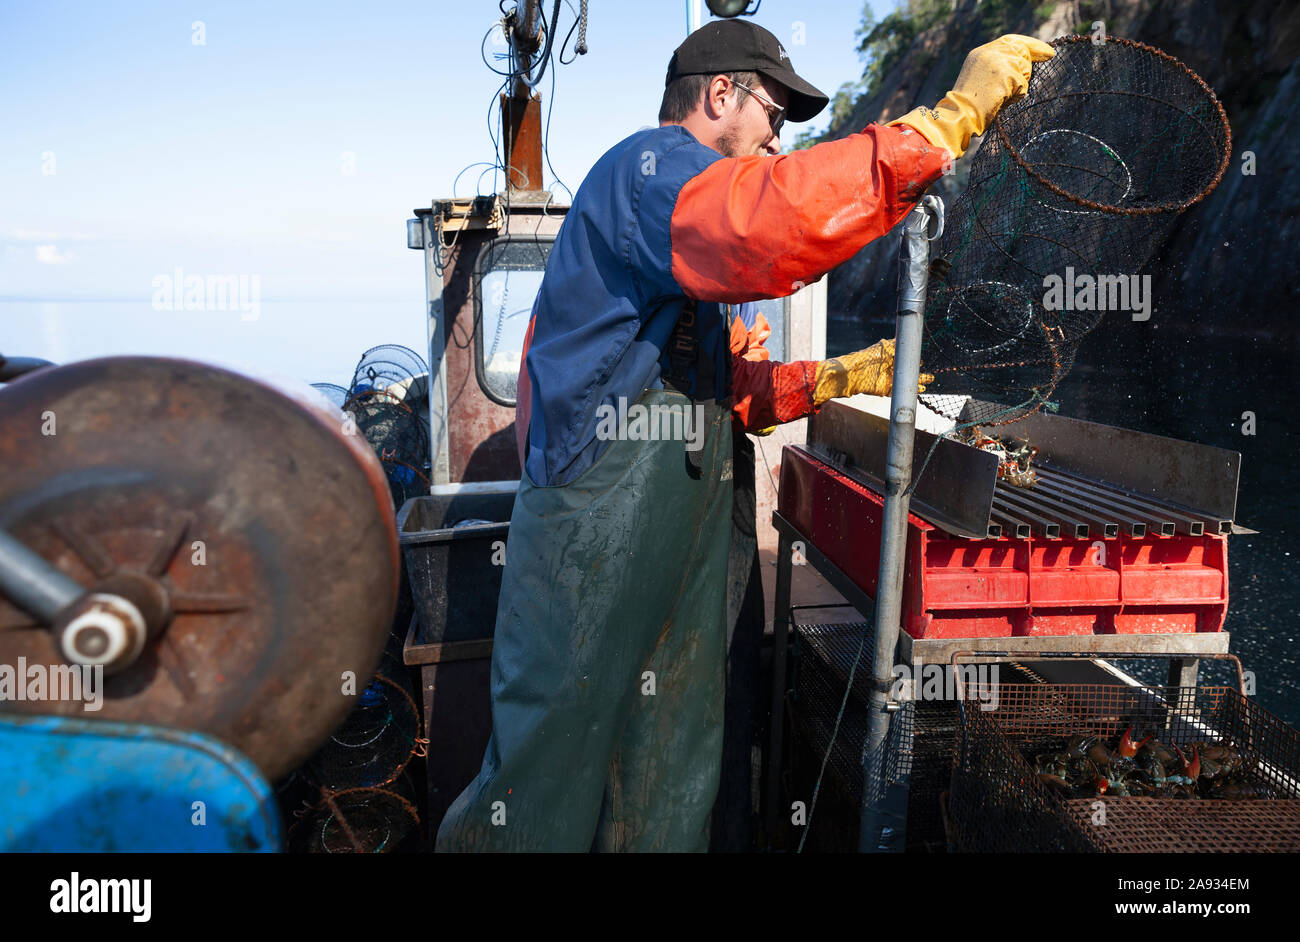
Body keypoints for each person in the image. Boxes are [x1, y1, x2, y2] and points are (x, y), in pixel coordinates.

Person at [436, 19, 1054, 852]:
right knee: (547, 764)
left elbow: (727, 392)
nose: (776, 135)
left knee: (671, 762)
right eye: (772, 112)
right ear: (720, 95)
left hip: (679, 537)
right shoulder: (649, 169)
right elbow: (766, 227)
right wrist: (935, 129)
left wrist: (839, 377)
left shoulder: (685, 236)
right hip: (592, 532)